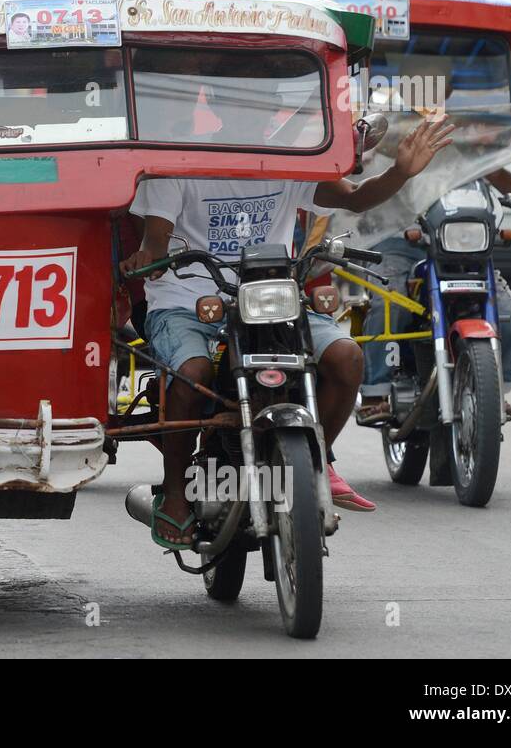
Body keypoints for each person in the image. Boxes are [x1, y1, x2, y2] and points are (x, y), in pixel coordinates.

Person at [120, 116, 456, 547]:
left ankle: (316, 460)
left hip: (270, 299)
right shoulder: (178, 167)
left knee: (345, 357)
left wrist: (400, 172)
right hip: (187, 303)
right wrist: (144, 257)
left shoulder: (286, 163)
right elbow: (155, 241)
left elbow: (356, 199)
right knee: (192, 373)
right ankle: (177, 495)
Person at [356, 169, 511, 422]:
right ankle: (377, 392)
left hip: (458, 240)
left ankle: (495, 392)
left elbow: (493, 169)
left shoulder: (466, 140)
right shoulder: (399, 135)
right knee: (390, 300)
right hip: (399, 240)